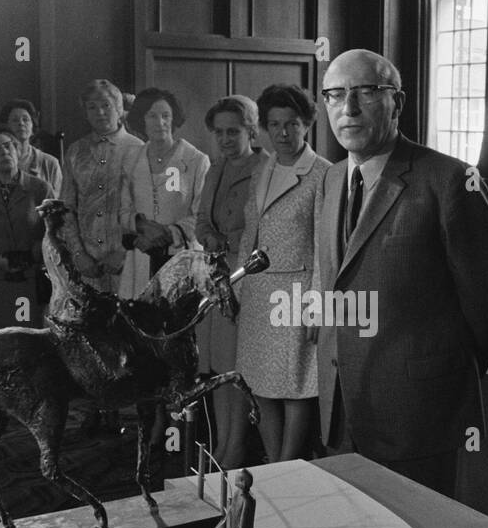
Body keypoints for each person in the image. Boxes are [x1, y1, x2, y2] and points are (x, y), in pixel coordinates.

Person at [314, 49, 488, 497]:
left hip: (419, 413)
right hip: (342, 408)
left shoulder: (450, 180)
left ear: (397, 103)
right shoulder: (329, 180)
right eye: (336, 94)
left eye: (366, 92)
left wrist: (444, 373)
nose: (349, 108)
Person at [237, 84, 330, 463]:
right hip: (257, 293)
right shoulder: (264, 167)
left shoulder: (323, 173)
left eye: (292, 123)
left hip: (295, 294)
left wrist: (317, 304)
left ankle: (289, 466)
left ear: (307, 124)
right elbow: (249, 232)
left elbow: (326, 247)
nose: (282, 132)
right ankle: (275, 467)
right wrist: (237, 286)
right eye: (274, 124)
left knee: (294, 386)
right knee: (260, 385)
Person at [195, 95, 267, 469]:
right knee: (218, 368)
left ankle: (237, 446)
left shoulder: (266, 168)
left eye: (233, 131)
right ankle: (223, 443)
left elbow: (266, 233)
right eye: (219, 132)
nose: (224, 138)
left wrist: (229, 248)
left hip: (248, 279)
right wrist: (212, 242)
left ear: (251, 130)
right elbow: (201, 223)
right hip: (215, 279)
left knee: (237, 368)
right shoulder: (214, 169)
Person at [56, 79, 143, 317]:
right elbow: (66, 209)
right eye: (92, 107)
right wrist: (78, 254)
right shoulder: (75, 151)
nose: (100, 112)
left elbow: (148, 210)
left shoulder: (139, 150)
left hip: (129, 263)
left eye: (106, 105)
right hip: (87, 265)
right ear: (85, 113)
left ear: (119, 109)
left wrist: (127, 252)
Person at [118, 87, 211, 299]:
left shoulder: (196, 160)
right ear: (142, 119)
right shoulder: (131, 159)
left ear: (174, 118)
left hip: (182, 258)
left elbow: (202, 215)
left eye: (166, 115)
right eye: (152, 116)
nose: (160, 123)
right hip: (141, 258)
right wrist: (142, 226)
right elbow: (123, 211)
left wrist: (167, 233)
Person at [0, 130, 52, 329]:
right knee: (4, 340)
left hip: (31, 278)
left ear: (17, 151)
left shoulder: (40, 189)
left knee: (28, 337)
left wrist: (33, 254)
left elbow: (54, 232)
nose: (4, 152)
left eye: (8, 146)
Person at [0, 98, 63, 197]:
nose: (21, 123)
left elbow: (59, 201)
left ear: (33, 127)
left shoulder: (49, 163)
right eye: (15, 120)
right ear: (5, 127)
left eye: (25, 119)